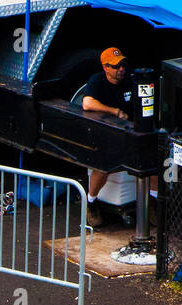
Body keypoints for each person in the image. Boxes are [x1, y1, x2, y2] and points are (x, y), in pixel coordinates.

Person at [80, 47, 133, 227]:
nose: (121, 69)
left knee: (152, 162)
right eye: (117, 66)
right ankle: (91, 203)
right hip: (104, 134)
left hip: (129, 133)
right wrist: (114, 111)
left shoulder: (130, 80)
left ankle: (153, 203)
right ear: (106, 67)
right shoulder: (97, 81)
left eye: (123, 65)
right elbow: (87, 103)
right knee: (103, 165)